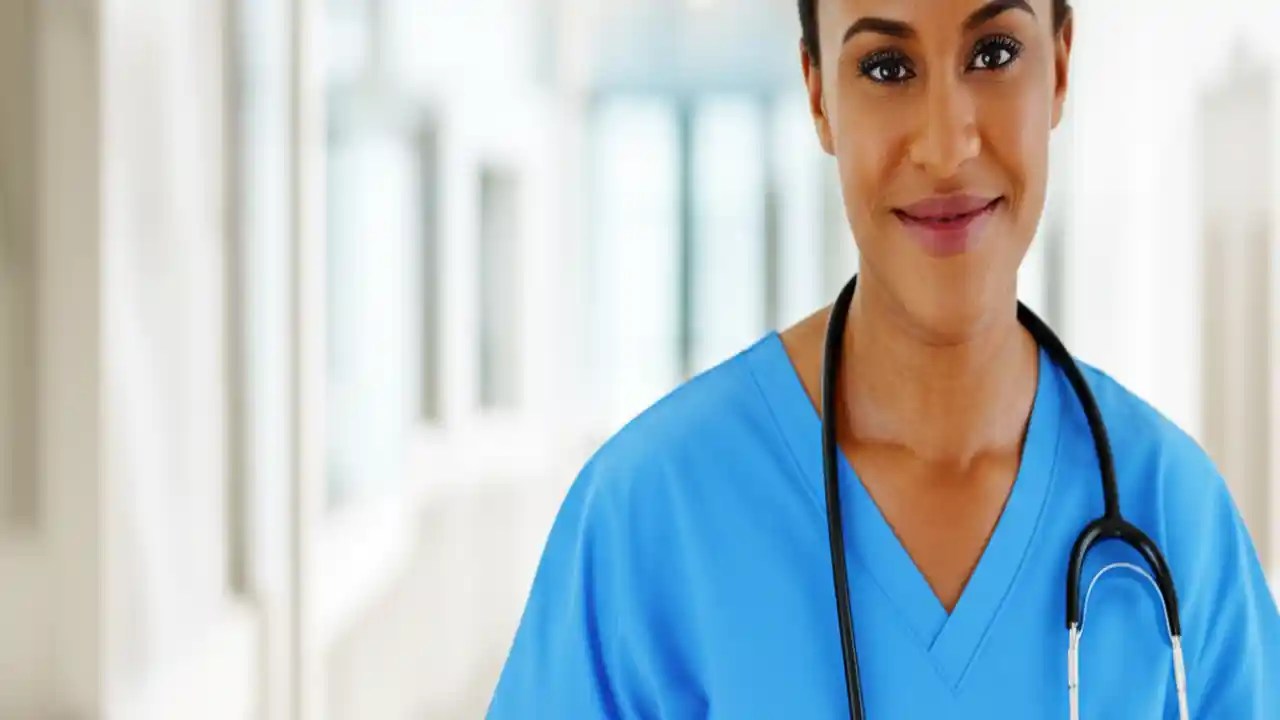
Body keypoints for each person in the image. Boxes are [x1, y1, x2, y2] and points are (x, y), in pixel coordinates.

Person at [488, 0, 1280, 716]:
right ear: (818, 95)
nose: (945, 146)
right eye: (886, 67)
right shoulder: (651, 518)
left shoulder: (1176, 515)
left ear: (1062, 66)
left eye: (995, 52)